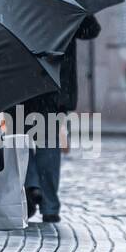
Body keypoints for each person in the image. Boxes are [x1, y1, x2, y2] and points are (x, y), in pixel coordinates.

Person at [24, 15, 101, 222]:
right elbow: (91, 30)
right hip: (54, 83)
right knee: (48, 142)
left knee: (18, 141)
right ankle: (49, 205)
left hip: (23, 82)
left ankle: (32, 183)